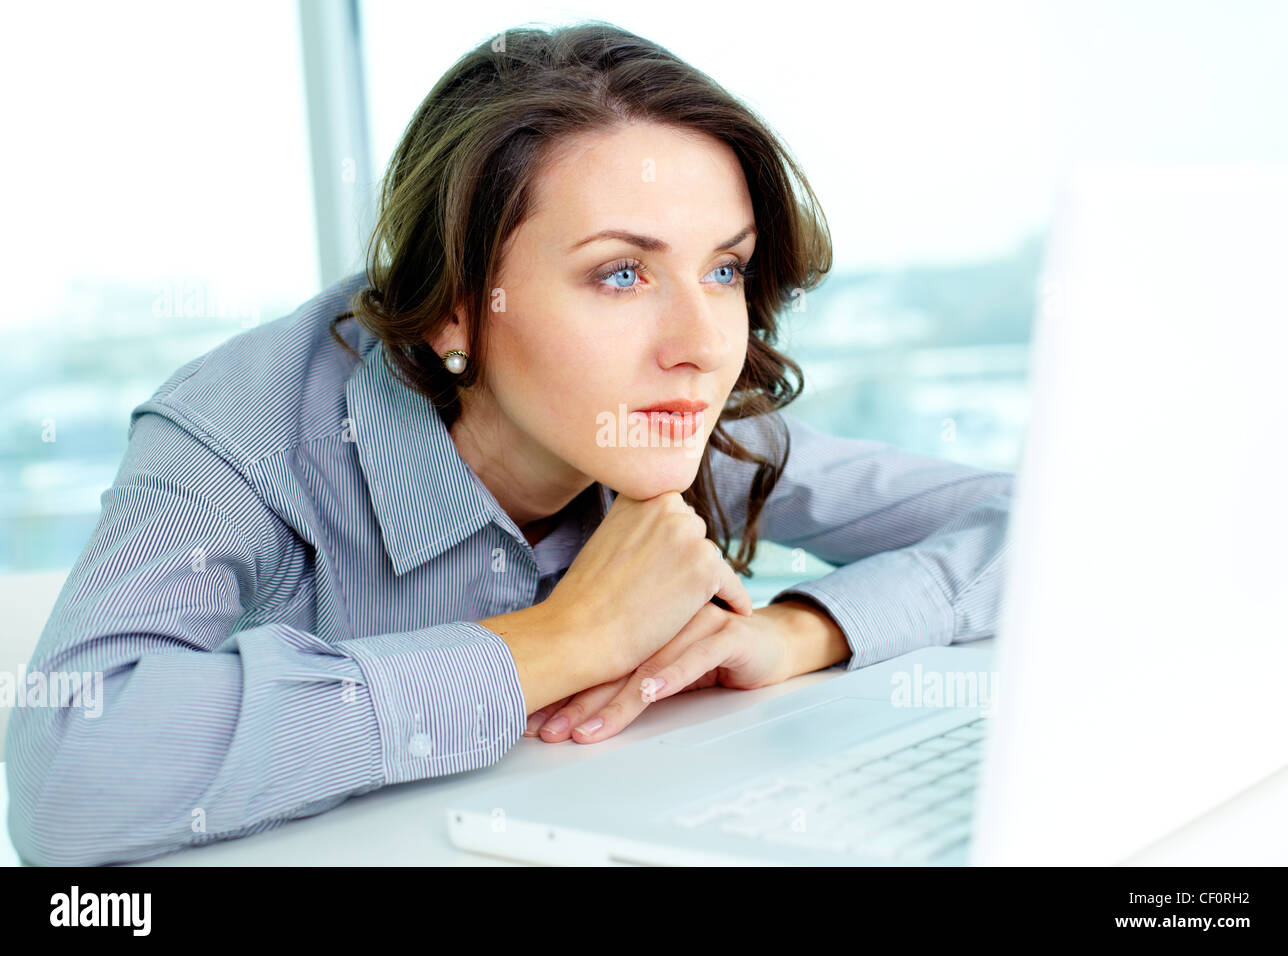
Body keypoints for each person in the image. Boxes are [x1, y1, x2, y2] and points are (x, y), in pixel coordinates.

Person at [5, 21, 1014, 866]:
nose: (702, 347)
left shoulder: (667, 417)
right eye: (620, 274)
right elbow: (68, 770)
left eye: (724, 270)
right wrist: (554, 642)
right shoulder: (249, 435)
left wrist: (799, 630)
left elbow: (1045, 519)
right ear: (454, 309)